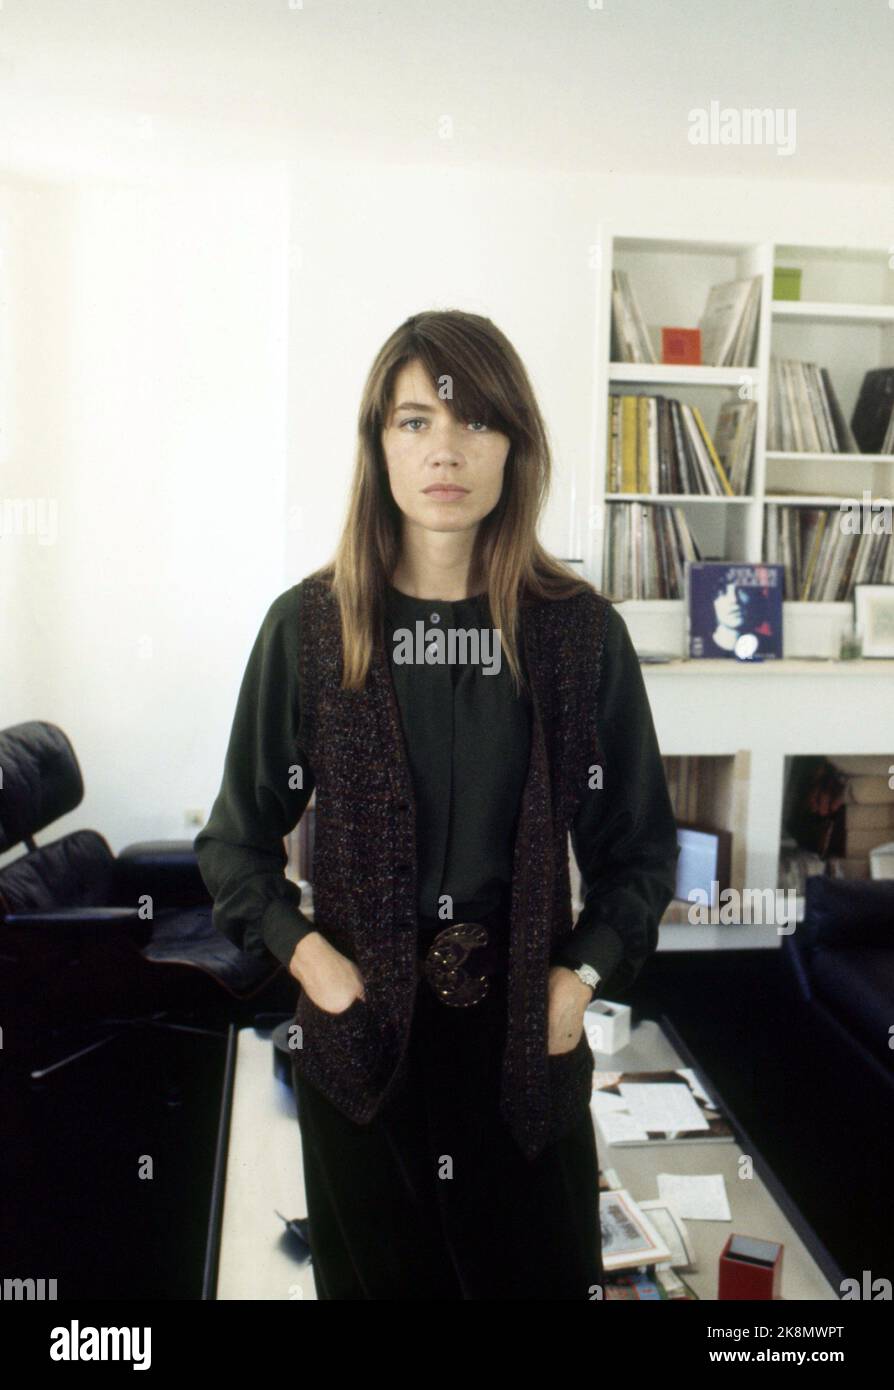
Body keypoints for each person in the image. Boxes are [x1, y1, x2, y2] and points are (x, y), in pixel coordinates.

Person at [195, 308, 680, 1300]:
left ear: (516, 445)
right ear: (378, 446)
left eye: (475, 422)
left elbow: (638, 854)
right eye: (414, 421)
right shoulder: (312, 628)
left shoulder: (580, 635)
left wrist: (577, 980)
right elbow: (234, 845)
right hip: (363, 1038)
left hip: (523, 1039)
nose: (445, 449)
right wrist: (315, 962)